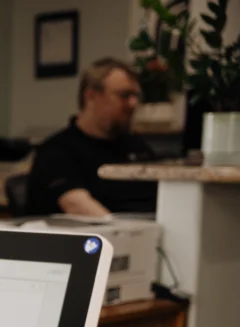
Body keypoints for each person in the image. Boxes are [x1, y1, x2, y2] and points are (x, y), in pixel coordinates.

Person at [27, 57, 159, 217]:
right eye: (124, 95)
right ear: (91, 97)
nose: (133, 104)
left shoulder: (137, 147)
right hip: (97, 237)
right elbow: (77, 206)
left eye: (135, 96)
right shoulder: (56, 151)